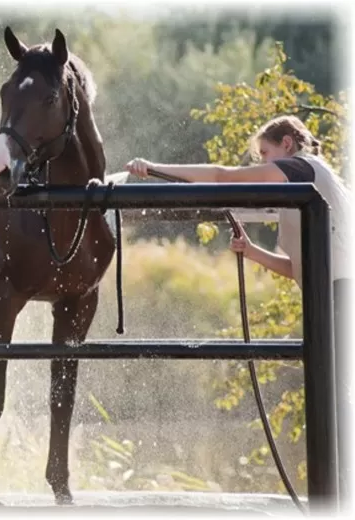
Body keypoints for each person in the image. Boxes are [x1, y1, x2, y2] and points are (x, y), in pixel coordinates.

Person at [124, 114, 352, 507]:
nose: (263, 162)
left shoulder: (303, 168)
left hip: (341, 293)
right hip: (328, 293)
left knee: (338, 399)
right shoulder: (301, 191)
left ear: (286, 144)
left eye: (265, 153)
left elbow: (221, 176)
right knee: (335, 396)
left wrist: (154, 168)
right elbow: (297, 269)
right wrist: (252, 252)